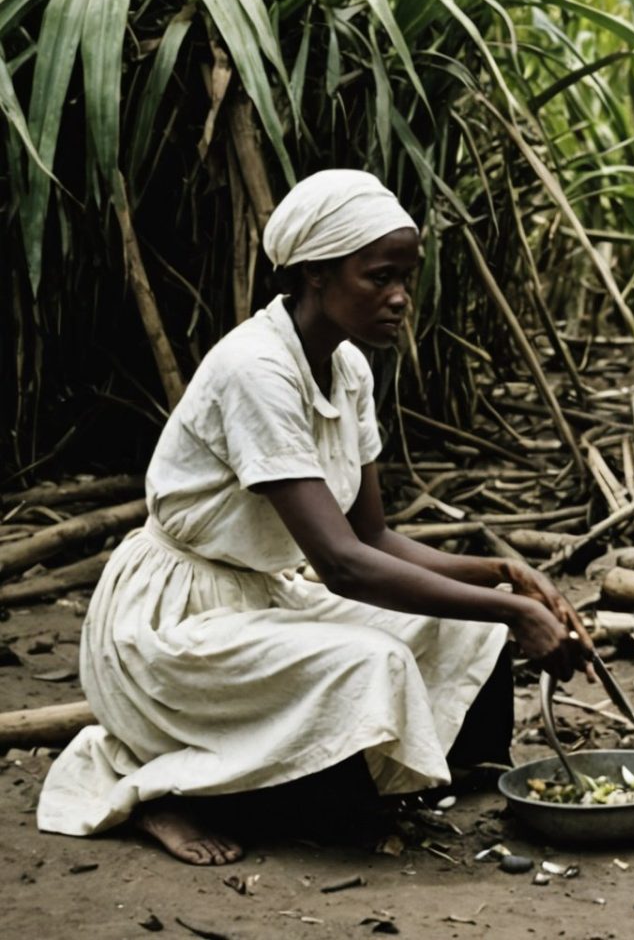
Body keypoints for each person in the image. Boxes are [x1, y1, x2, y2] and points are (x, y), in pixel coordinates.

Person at [37, 170, 593, 865]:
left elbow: (373, 536)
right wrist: (514, 614)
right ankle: (166, 793)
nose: (399, 298)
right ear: (316, 275)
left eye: (406, 278)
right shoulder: (256, 369)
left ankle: (426, 775)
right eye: (379, 277)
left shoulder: (348, 368)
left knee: (462, 621)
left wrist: (506, 576)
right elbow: (342, 566)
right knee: (372, 661)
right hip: (173, 621)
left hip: (260, 597)